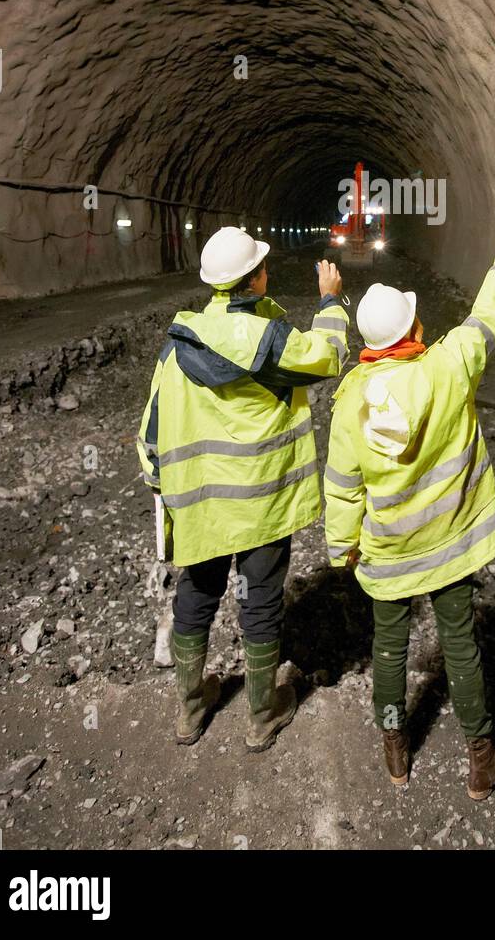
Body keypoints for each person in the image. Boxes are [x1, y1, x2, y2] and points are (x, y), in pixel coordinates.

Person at [324, 223, 495, 800]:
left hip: (388, 556)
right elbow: (486, 321)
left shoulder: (351, 401)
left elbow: (342, 487)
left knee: (389, 649)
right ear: (413, 328)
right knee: (460, 644)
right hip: (453, 543)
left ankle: (396, 755)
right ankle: (482, 763)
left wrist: (343, 549)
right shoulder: (448, 365)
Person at [137, 227, 348, 751]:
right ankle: (260, 714)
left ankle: (190, 712)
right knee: (259, 601)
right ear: (257, 277)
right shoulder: (270, 339)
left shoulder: (178, 343)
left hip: (203, 508)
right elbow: (327, 356)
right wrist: (331, 300)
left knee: (197, 594)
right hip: (262, 504)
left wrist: (163, 487)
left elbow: (150, 434)